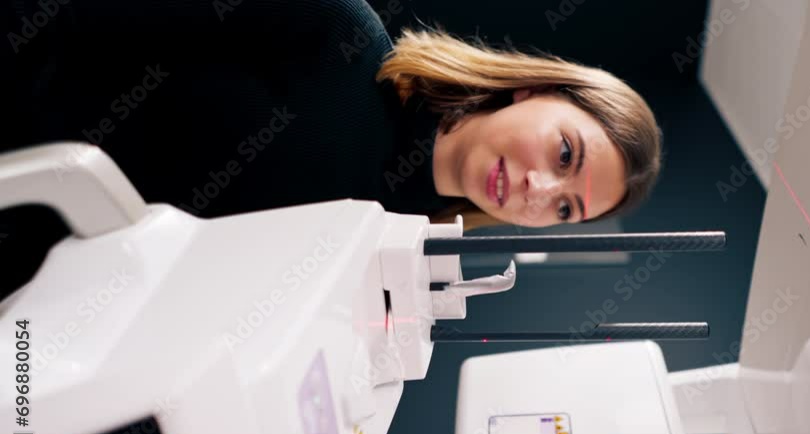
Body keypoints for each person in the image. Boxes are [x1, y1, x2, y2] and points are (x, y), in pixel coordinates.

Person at [2, 0, 662, 231]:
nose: (538, 191)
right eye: (565, 154)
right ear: (534, 90)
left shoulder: (375, 262)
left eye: (567, 208)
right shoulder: (336, 32)